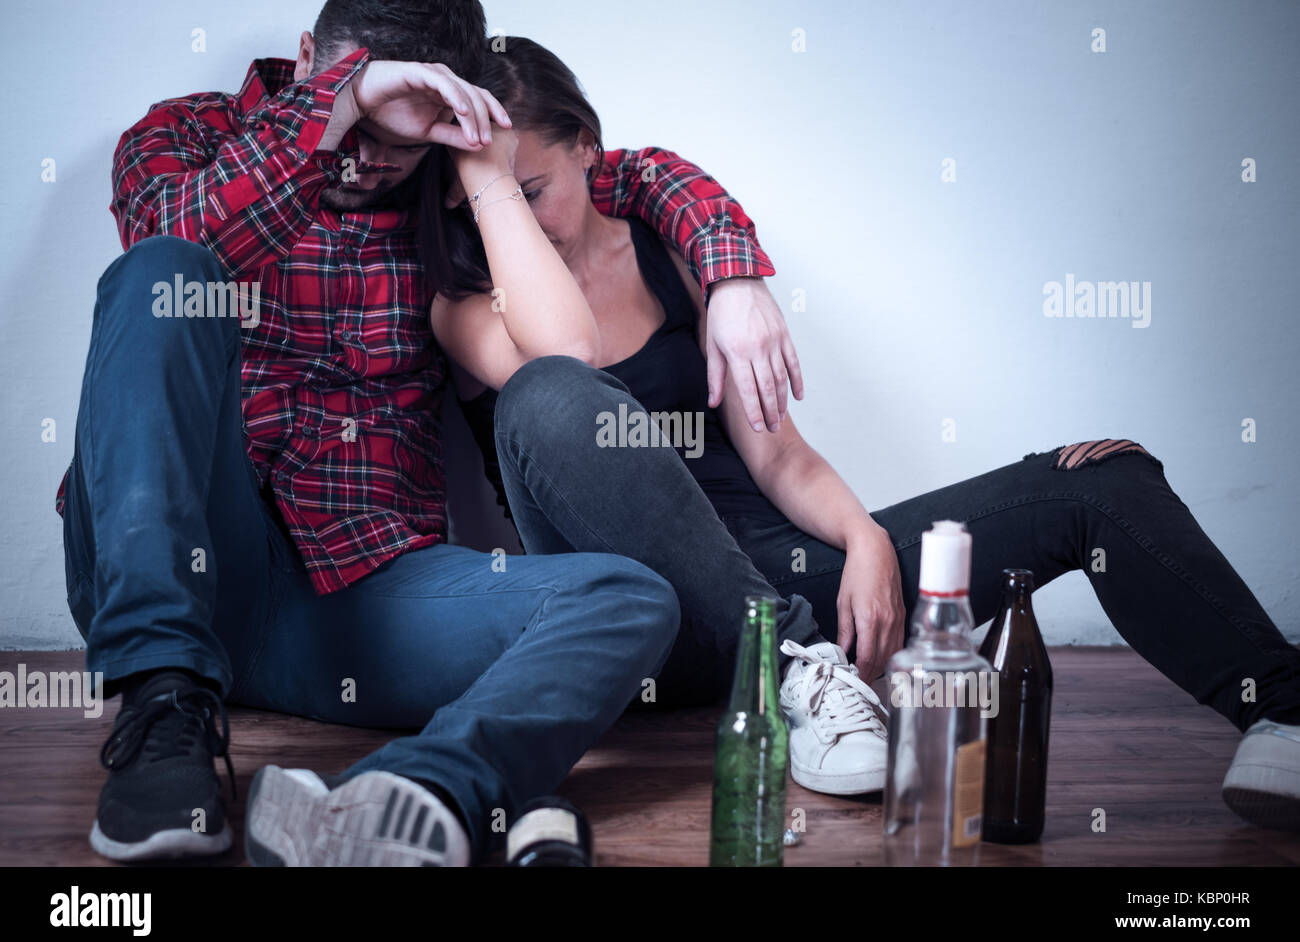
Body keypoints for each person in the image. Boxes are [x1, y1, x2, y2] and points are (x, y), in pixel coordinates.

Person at [424, 37, 1300, 828]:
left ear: (587, 148)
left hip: (792, 588)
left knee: (1100, 483)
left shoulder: (666, 258)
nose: (522, 217)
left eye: (533, 188)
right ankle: (798, 660)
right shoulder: (468, 304)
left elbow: (778, 454)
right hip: (645, 626)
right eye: (499, 195)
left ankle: (1288, 715)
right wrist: (489, 185)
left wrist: (866, 538)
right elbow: (564, 357)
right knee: (547, 392)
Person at [56, 0, 803, 866]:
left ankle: (419, 795)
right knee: (165, 274)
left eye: (397, 145)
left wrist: (733, 271)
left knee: (627, 597)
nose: (369, 164)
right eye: (358, 129)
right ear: (309, 59)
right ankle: (162, 706)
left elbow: (625, 178)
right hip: (181, 565)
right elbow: (158, 256)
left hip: (358, 599)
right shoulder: (186, 136)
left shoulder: (436, 187)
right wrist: (333, 107)